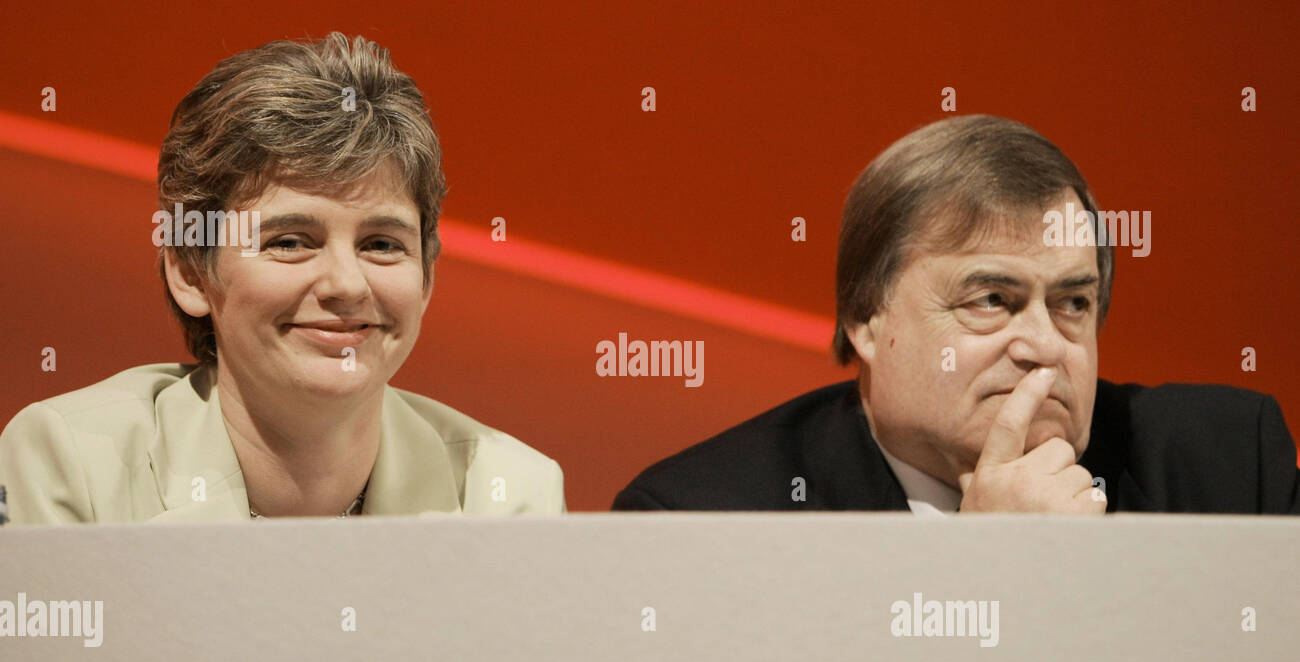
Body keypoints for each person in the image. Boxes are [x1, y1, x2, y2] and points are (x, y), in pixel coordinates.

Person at [0, 33, 565, 524]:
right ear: (191, 272)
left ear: (427, 278)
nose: (346, 284)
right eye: (290, 241)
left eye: (381, 245)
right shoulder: (69, 464)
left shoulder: (511, 495)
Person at [613, 115, 1300, 514]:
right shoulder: (706, 516)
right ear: (865, 318)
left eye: (1072, 303)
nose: (1041, 345)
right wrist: (983, 587)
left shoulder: (1229, 465)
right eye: (992, 300)